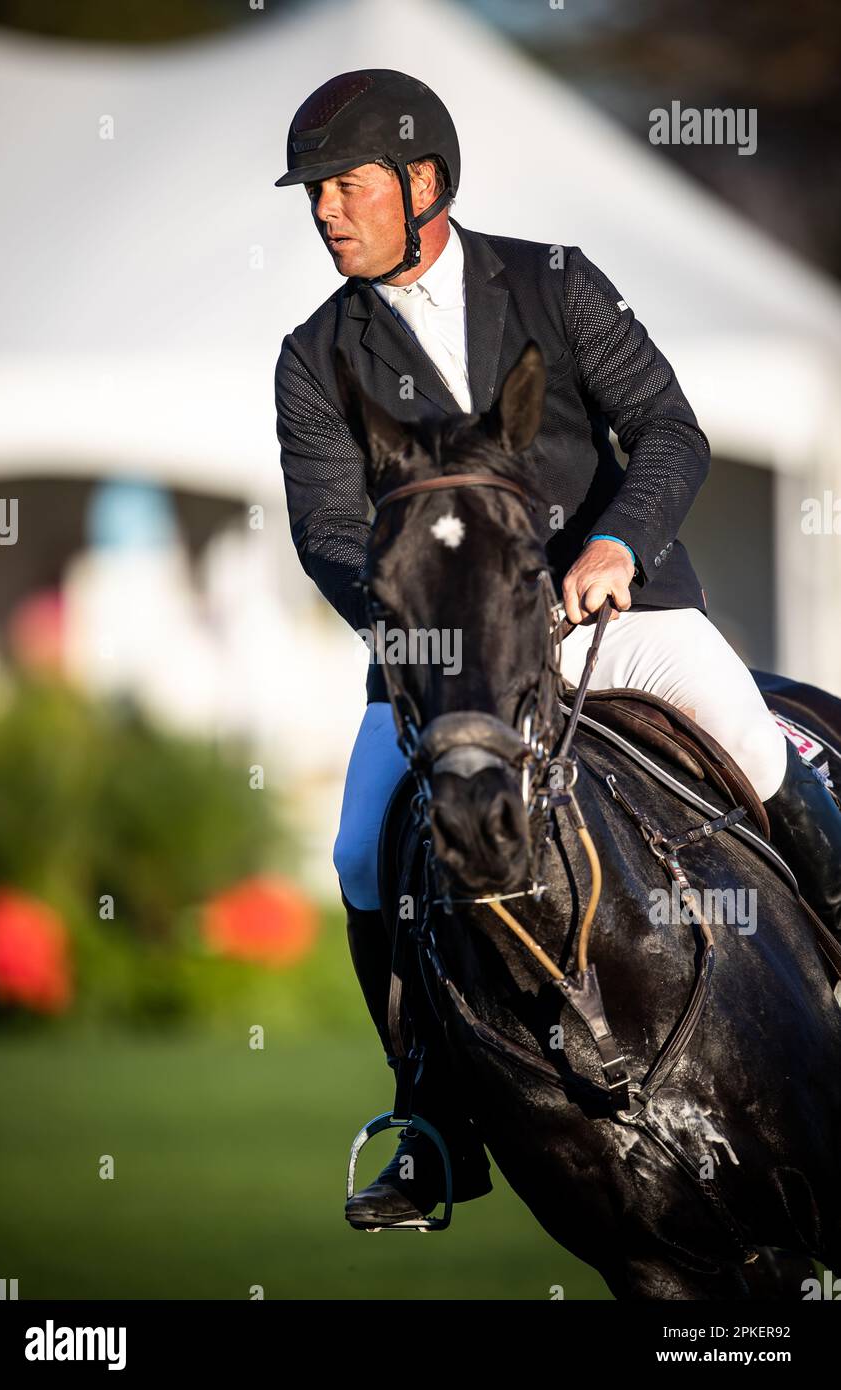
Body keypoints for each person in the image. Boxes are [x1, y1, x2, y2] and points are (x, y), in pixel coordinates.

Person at [273, 69, 841, 1229]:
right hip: (447, 664)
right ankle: (427, 1117)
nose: (325, 211)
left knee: (764, 753)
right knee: (357, 855)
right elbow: (331, 537)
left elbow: (669, 430)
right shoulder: (312, 356)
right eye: (315, 193)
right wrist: (431, 642)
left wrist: (618, 545)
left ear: (422, 182)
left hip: (623, 621)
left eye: (345, 185)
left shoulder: (551, 280)